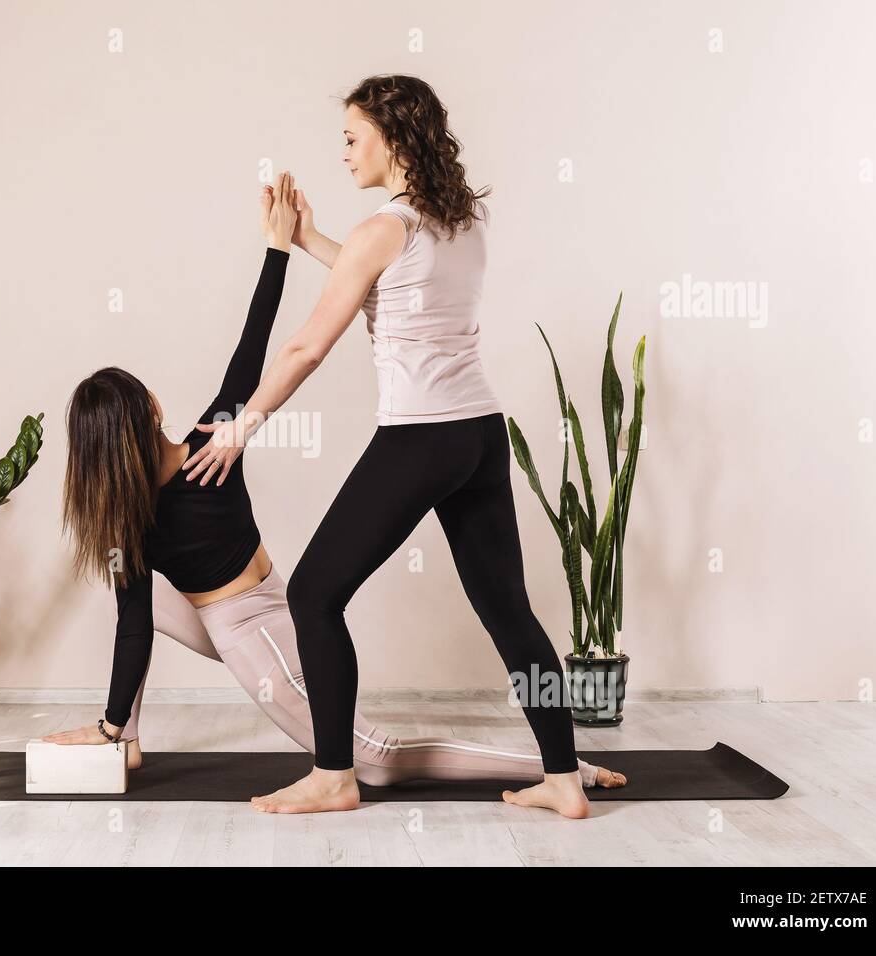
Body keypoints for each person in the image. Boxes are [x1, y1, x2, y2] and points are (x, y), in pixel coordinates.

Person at [47, 171, 625, 795]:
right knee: (373, 755)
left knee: (372, 755)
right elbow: (255, 346)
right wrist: (276, 247)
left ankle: (568, 772)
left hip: (254, 627)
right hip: (240, 628)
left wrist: (286, 244)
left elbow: (136, 626)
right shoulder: (212, 446)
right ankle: (122, 739)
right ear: (151, 405)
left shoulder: (131, 511)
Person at [181, 76, 605, 818]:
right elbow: (388, 279)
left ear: (392, 138)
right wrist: (306, 238)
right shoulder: (462, 220)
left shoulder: (386, 228)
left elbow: (310, 345)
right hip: (479, 435)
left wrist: (244, 422)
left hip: (420, 436)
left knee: (314, 595)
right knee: (509, 609)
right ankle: (564, 780)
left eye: (351, 136)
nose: (343, 151)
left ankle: (333, 775)